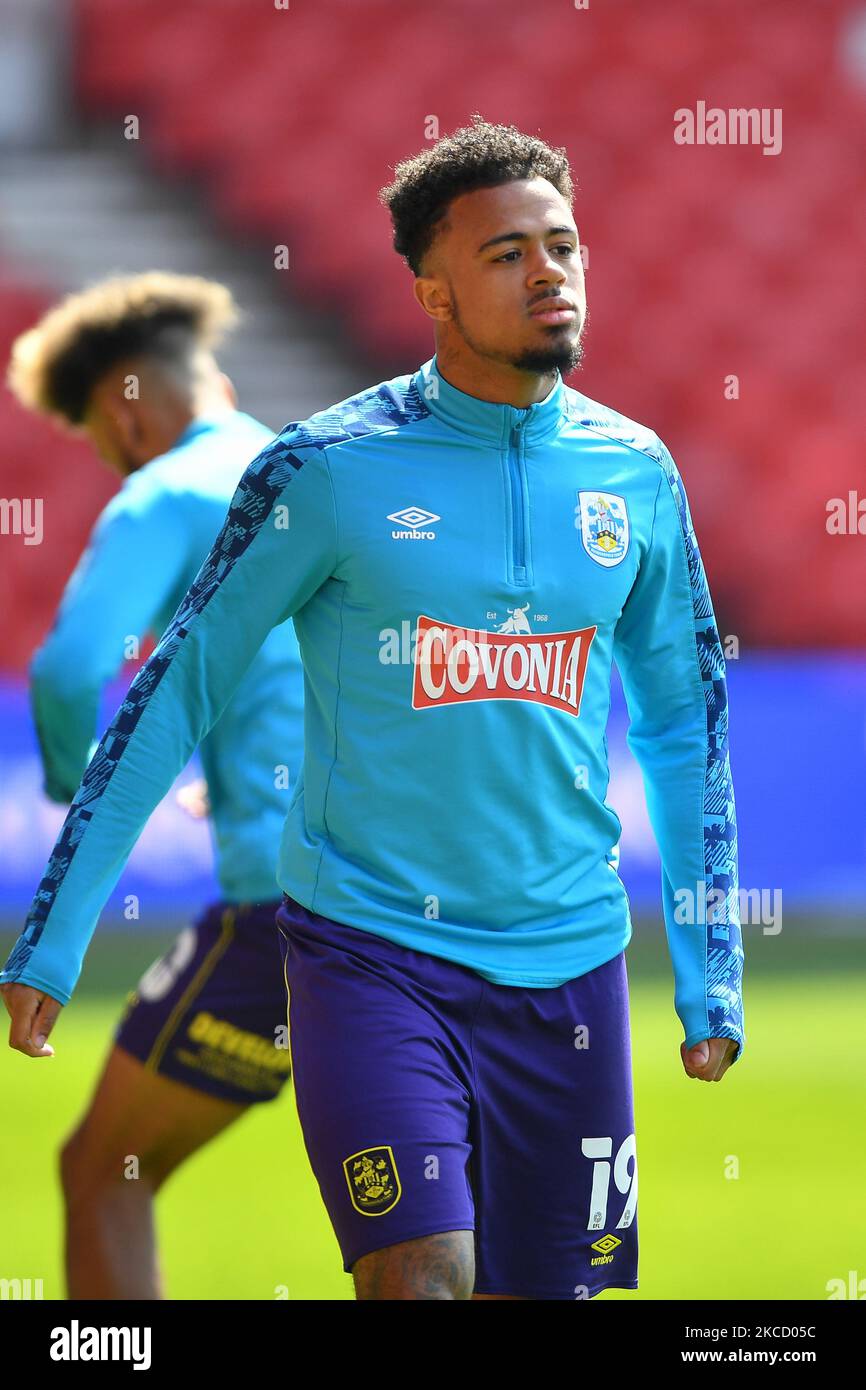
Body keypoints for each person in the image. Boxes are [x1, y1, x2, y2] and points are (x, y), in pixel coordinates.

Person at [2, 120, 744, 1301]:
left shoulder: (635, 475)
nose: (548, 271)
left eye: (562, 246)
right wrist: (57, 929)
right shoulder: (326, 469)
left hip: (569, 972)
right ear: (432, 293)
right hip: (367, 950)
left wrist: (710, 975)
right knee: (418, 1279)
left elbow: (681, 727)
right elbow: (174, 687)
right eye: (506, 254)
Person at [3, 272, 303, 1298]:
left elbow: (69, 668)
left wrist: (71, 778)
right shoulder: (318, 469)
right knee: (435, 1219)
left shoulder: (168, 491)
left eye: (96, 431)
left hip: (288, 909)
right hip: (431, 901)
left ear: (127, 408)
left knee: (100, 1171)